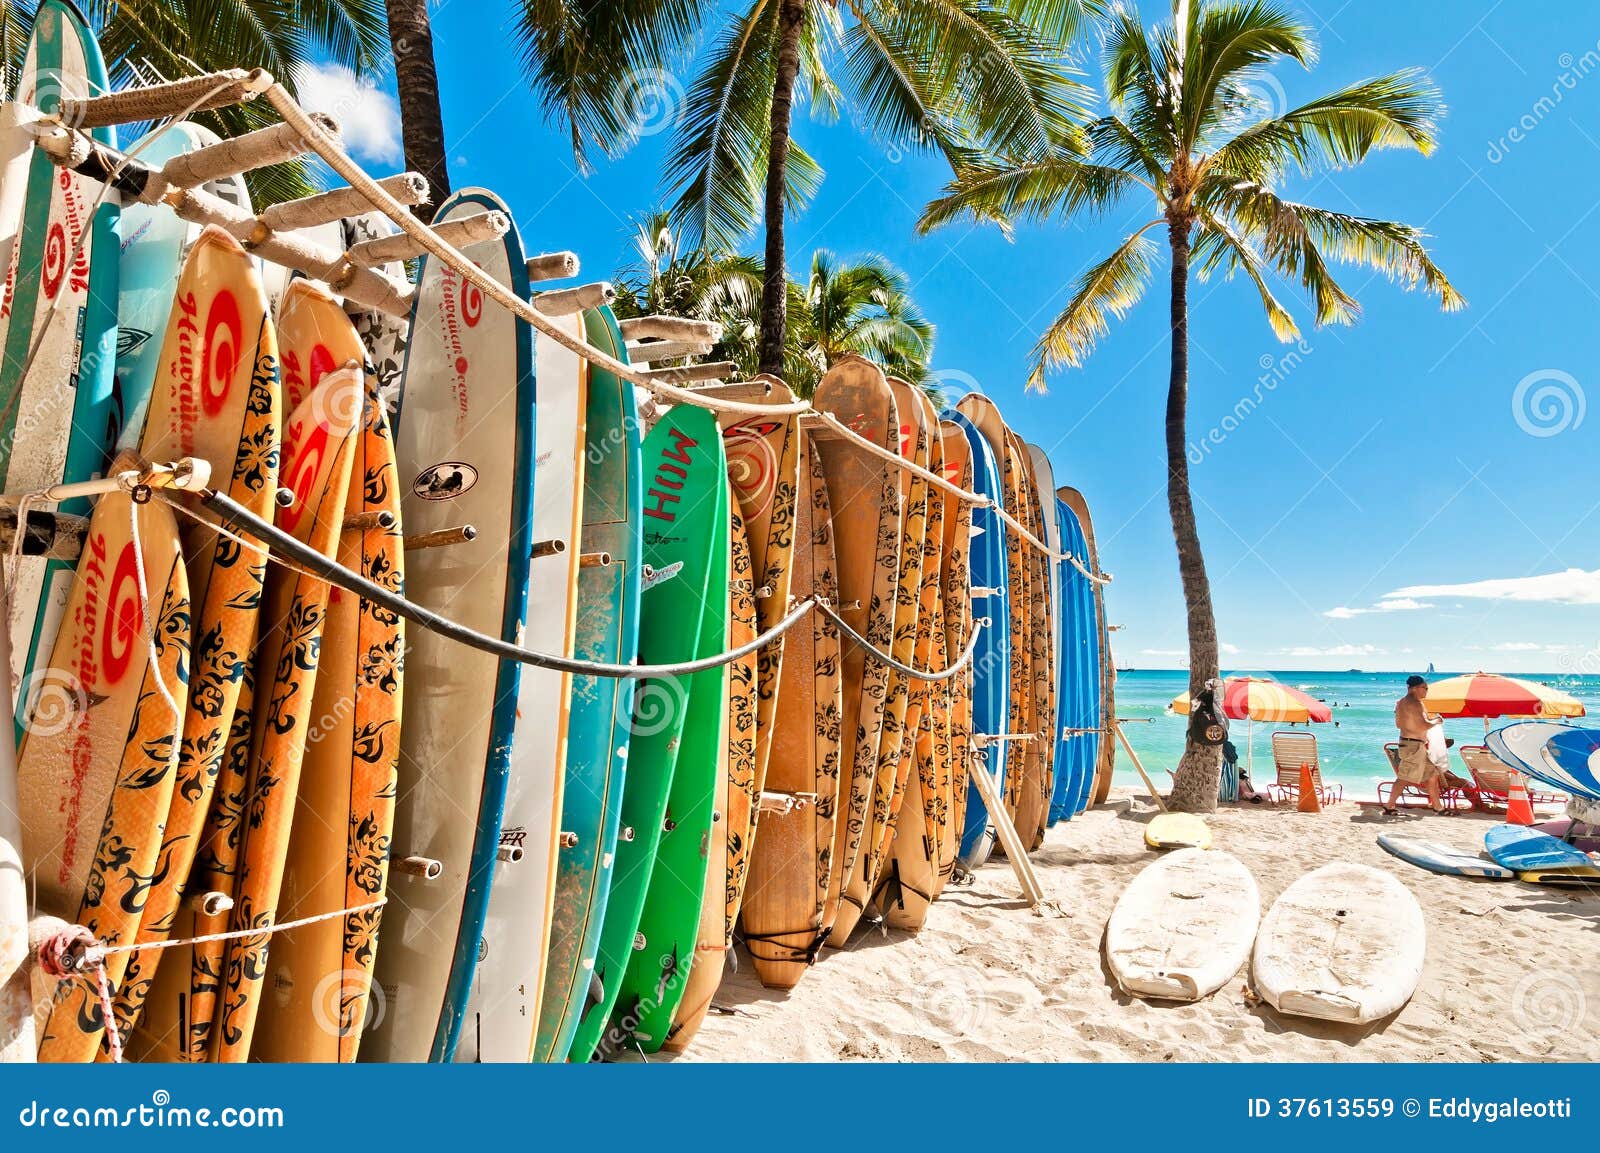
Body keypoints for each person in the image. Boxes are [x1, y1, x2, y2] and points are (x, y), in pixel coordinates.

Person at [1389, 676, 1486, 814]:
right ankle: (1389, 806)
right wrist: (1437, 721)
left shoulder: (1401, 703)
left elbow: (1399, 724)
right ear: (1415, 688)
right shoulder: (1416, 703)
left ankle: (1438, 807)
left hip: (1410, 743)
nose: (1427, 691)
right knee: (1405, 777)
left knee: (1432, 774)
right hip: (1414, 746)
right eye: (1425, 688)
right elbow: (1424, 725)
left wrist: (1422, 724)